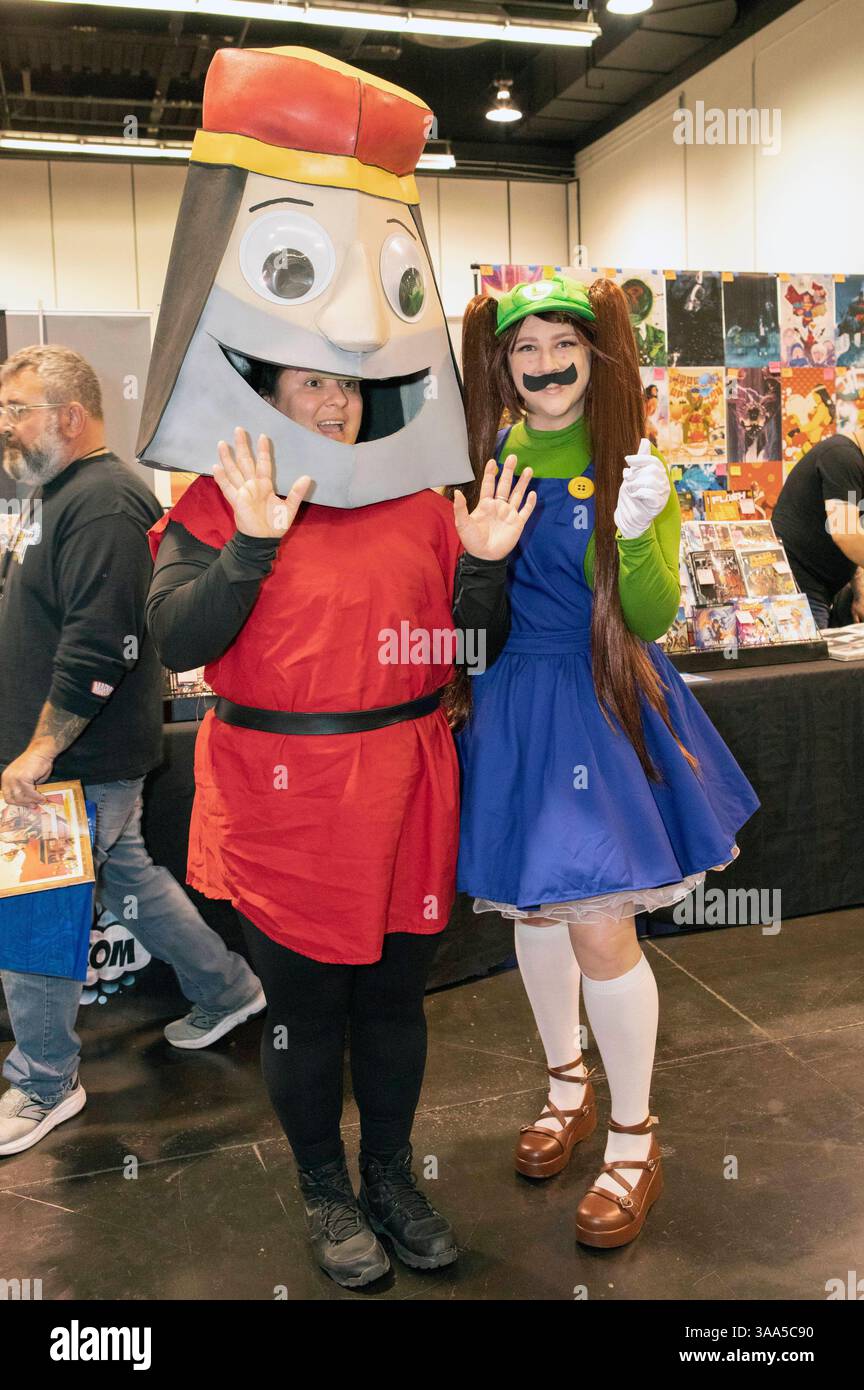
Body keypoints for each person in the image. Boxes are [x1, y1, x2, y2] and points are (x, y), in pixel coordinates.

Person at [138, 44, 535, 1289]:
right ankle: (323, 1184)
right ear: (264, 373)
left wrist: (478, 571)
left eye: (351, 387)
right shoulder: (220, 493)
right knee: (311, 1013)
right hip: (287, 797)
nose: (334, 406)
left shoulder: (423, 493)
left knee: (396, 1007)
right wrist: (253, 545)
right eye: (310, 380)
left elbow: (471, 651)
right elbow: (179, 638)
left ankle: (390, 1173)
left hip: (410, 777)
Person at [456, 276, 760, 1248]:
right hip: (514, 703)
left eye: (562, 346)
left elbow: (655, 617)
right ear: (503, 363)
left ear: (595, 355)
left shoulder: (630, 459)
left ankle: (634, 1138)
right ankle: (565, 1087)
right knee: (539, 910)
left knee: (597, 927)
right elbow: (471, 616)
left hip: (598, 702)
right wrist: (476, 557)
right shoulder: (492, 453)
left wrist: (639, 536)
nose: (543, 364)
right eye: (524, 349)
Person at [0, 345, 265, 1159]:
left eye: (16, 411)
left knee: (39, 910)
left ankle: (46, 1079)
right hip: (80, 760)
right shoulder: (56, 495)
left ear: (68, 417)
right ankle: (231, 989)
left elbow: (102, 645)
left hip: (74, 763)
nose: (4, 427)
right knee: (131, 876)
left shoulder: (106, 501)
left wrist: (40, 751)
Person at [772, 429, 864, 628]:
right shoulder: (843, 458)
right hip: (800, 585)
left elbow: (855, 534)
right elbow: (846, 534)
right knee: (813, 657)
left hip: (822, 586)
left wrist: (860, 591)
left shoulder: (852, 463)